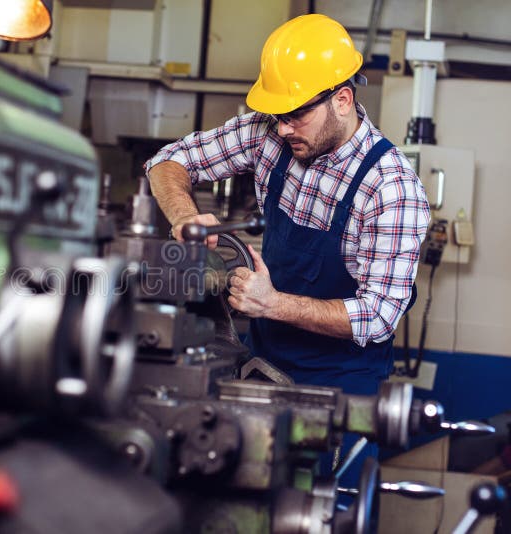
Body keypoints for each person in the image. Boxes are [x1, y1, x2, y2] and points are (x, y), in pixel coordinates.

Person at [145, 13, 431, 484]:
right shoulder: (270, 134)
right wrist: (184, 216)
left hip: (340, 390)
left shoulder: (392, 190)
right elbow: (167, 161)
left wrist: (271, 304)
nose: (282, 129)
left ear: (343, 99)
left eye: (296, 114)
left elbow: (378, 316)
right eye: (278, 115)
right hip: (261, 369)